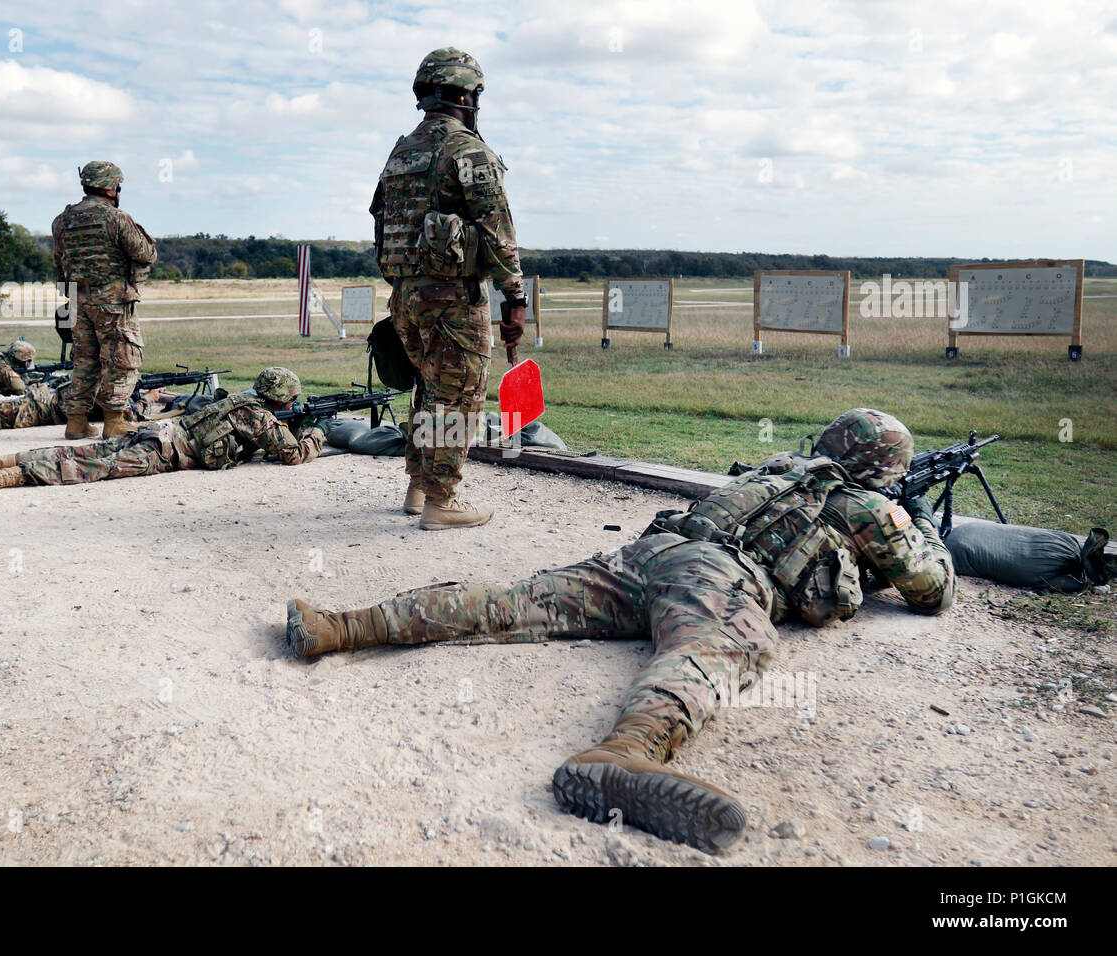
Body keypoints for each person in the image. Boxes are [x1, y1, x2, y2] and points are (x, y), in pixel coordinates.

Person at [285, 409, 956, 852]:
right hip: (715, 577)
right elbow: (932, 591)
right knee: (717, 646)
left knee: (519, 601)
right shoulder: (868, 506)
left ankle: (341, 625)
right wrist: (921, 522)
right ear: (885, 470)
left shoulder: (778, 467)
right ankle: (625, 753)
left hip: (651, 552)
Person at [369, 47, 528, 530]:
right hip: (454, 297)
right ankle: (443, 502)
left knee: (428, 388)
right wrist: (515, 298)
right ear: (465, 92)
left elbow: (380, 220)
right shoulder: (467, 150)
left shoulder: (402, 153)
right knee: (458, 396)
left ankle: (418, 486)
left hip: (405, 296)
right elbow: (497, 228)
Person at [0, 367, 325, 495]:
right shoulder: (260, 418)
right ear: (280, 397)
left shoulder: (243, 400)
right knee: (91, 467)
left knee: (84, 451)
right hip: (163, 452)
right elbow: (292, 455)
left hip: (161, 432)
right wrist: (316, 435)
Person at [53, 160, 157, 440]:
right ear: (112, 188)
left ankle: (76, 423)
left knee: (84, 359)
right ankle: (114, 421)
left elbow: (59, 261)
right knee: (121, 358)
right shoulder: (116, 218)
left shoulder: (62, 221)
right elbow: (145, 253)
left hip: (77, 300)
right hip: (112, 302)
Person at [0, 377, 185, 437]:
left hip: (42, 400)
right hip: (39, 409)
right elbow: (129, 417)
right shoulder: (112, 393)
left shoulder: (97, 380)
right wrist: (151, 398)